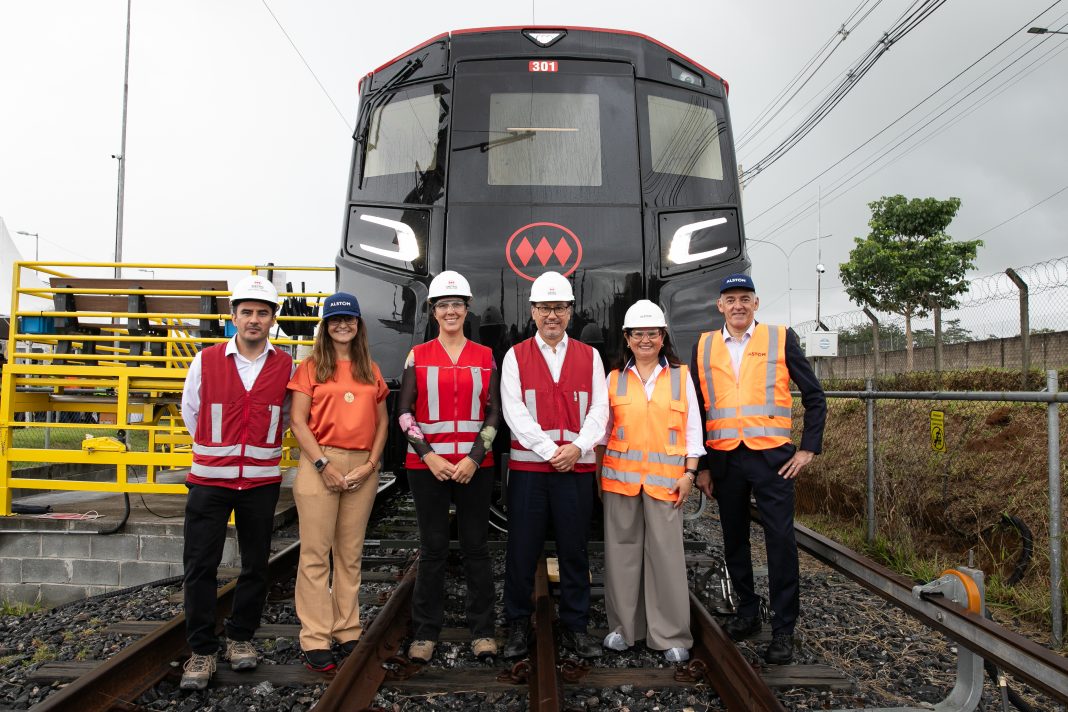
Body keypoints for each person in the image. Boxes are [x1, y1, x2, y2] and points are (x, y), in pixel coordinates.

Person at [691, 273, 826, 665]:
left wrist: (808, 450)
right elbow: (698, 412)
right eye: (730, 299)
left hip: (773, 460)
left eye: (744, 299)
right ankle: (748, 612)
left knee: (780, 543)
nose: (737, 306)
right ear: (720, 305)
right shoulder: (703, 346)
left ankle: (783, 628)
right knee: (733, 539)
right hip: (725, 460)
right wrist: (701, 466)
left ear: (756, 303)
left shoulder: (780, 338)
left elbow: (814, 397)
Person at [179, 274, 293, 691]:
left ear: (272, 319)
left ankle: (241, 640)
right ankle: (202, 650)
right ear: (234, 316)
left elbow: (286, 417)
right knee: (200, 566)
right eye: (247, 312)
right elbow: (190, 410)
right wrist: (219, 452)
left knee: (255, 566)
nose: (254, 320)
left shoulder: (286, 366)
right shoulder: (205, 360)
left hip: (261, 483)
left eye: (262, 313)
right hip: (209, 482)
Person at [500, 270, 609, 660]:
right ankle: (516, 623)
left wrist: (577, 447)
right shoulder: (515, 356)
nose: (552, 315)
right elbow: (514, 412)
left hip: (575, 472)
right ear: (532, 311)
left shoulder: (590, 356)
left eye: (559, 307)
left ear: (570, 311)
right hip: (531, 472)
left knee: (574, 550)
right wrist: (552, 451)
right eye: (545, 307)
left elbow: (600, 410)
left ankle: (576, 627)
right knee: (521, 550)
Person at [396, 271, 500, 664]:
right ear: (433, 311)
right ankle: (425, 632)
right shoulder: (417, 356)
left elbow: (493, 412)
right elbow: (403, 412)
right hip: (429, 468)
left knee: (476, 548)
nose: (451, 310)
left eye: (457, 304)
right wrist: (429, 456)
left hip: (476, 467)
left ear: (467, 309)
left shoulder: (485, 356)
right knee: (433, 548)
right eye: (444, 305)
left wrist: (475, 457)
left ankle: (483, 631)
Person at [596, 300, 703, 663]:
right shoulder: (612, 379)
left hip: (667, 483)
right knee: (621, 554)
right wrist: (599, 478)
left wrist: (690, 473)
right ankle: (624, 629)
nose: (645, 339)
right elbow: (602, 435)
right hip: (620, 483)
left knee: (666, 557)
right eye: (637, 333)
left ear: (662, 337)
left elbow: (693, 430)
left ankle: (670, 634)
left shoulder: (679, 376)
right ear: (626, 339)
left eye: (652, 333)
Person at [286, 292, 388, 672]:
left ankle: (347, 630)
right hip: (320, 461)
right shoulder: (310, 367)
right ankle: (315, 637)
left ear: (358, 325)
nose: (343, 325)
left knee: (349, 554)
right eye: (335, 320)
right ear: (325, 326)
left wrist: (373, 464)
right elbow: (298, 421)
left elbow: (382, 423)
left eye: (349, 320)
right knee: (315, 555)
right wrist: (323, 463)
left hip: (362, 465)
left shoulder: (370, 369)